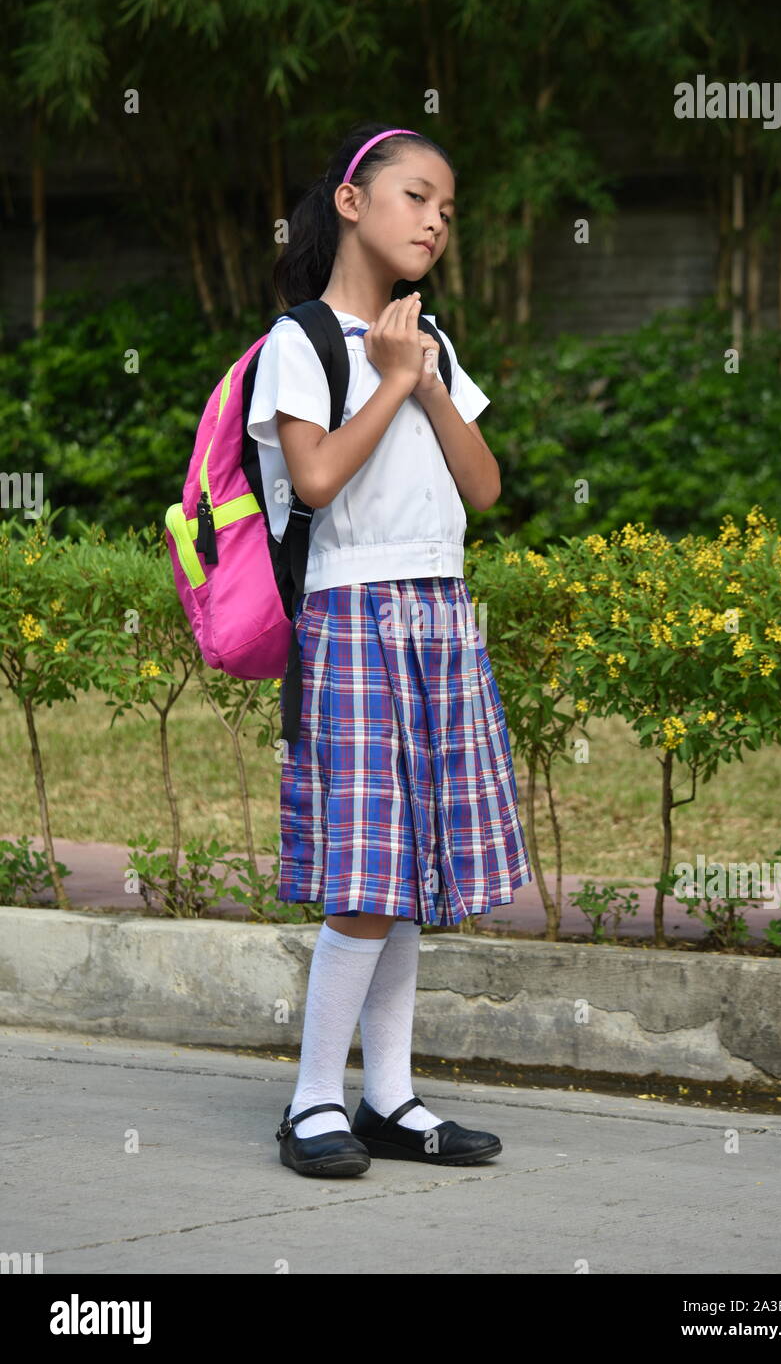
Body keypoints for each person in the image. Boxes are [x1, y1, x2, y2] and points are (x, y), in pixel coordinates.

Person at [247, 120, 533, 1177]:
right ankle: (310, 1101)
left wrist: (419, 376)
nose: (434, 221)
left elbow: (484, 485)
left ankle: (388, 1098)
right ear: (353, 204)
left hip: (439, 612)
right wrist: (383, 376)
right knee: (365, 877)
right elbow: (316, 482)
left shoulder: (434, 346)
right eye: (416, 196)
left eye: (447, 210)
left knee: (408, 871)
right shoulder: (304, 340)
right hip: (354, 615)